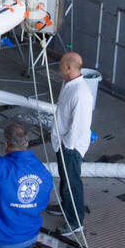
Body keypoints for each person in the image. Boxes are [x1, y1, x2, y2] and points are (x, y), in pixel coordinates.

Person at [51, 52, 95, 236]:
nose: (59, 66)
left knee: (72, 182)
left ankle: (75, 221)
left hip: (71, 146)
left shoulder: (81, 94)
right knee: (65, 177)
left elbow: (78, 125)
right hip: (64, 143)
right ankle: (65, 205)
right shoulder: (69, 83)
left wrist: (66, 145)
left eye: (62, 64)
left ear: (69, 68)